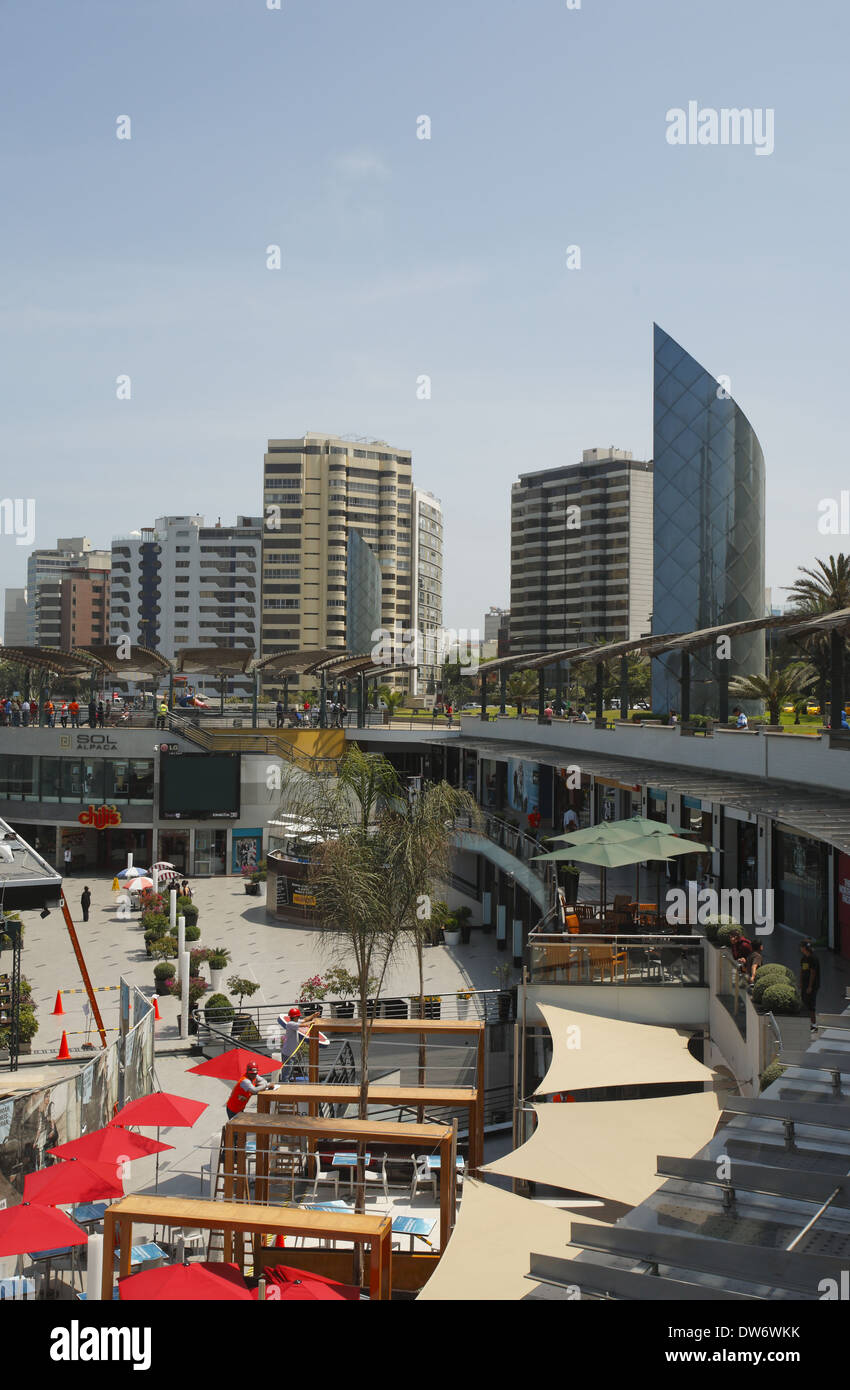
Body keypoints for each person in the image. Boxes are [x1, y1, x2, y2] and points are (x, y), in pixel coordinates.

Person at [277, 1006, 320, 1081]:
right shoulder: (290, 1024)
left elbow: (304, 1020)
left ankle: (286, 1087)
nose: (299, 1018)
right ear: (295, 1017)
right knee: (286, 1074)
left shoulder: (294, 1022)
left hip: (291, 1053)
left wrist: (313, 1015)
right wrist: (312, 1022)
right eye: (298, 1016)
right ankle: (284, 1088)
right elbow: (303, 1025)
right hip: (288, 1054)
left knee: (289, 1073)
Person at [800, 940, 820, 1029]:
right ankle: (807, 1023)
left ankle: (814, 1024)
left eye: (802, 947)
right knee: (804, 1003)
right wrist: (800, 982)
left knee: (811, 1004)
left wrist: (810, 986)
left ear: (805, 948)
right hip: (805, 985)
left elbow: (813, 973)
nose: (801, 948)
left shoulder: (813, 958)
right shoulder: (804, 958)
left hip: (811, 986)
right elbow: (802, 970)